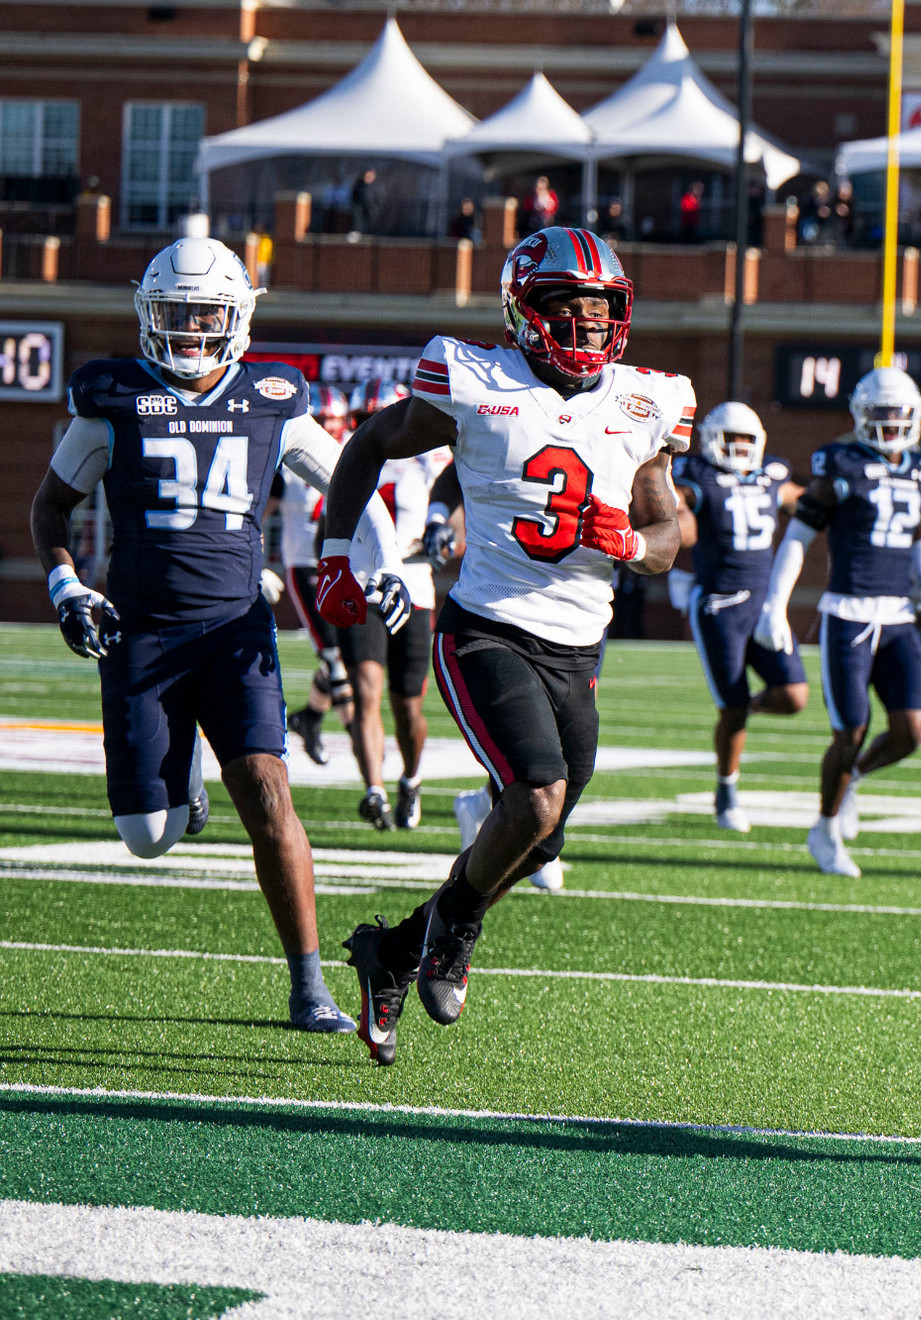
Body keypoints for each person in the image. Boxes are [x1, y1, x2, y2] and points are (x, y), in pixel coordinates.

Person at [326, 227, 694, 1066]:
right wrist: (338, 553)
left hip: (579, 648)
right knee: (534, 798)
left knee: (542, 838)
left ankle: (391, 951)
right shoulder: (476, 381)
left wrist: (635, 547)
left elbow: (668, 528)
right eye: (566, 308)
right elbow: (370, 443)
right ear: (525, 314)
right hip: (486, 628)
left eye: (600, 310)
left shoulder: (647, 400)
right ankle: (452, 932)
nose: (587, 326)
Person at [27, 236, 411, 1033]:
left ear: (237, 316)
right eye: (174, 314)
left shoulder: (273, 397)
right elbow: (50, 506)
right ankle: (183, 781)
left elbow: (350, 482)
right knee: (148, 837)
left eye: (205, 313)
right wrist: (68, 586)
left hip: (237, 629)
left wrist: (386, 565)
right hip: (140, 638)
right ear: (146, 314)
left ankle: (310, 988)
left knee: (270, 790)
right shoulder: (115, 395)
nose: (190, 330)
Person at [753, 366, 921, 879]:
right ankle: (825, 827)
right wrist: (776, 606)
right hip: (849, 616)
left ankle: (854, 779)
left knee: (913, 729)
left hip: (899, 616)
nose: (888, 425)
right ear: (860, 416)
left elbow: (919, 530)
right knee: (850, 731)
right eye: (878, 414)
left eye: (897, 415)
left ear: (915, 416)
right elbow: (798, 536)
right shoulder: (840, 466)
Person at [671, 401, 808, 833]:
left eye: (747, 439)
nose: (738, 446)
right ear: (713, 439)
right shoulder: (697, 477)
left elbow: (802, 501)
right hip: (720, 606)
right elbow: (677, 508)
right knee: (731, 710)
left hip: (766, 607)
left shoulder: (773, 475)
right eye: (730, 438)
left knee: (793, 697)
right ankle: (726, 792)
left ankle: (742, 712)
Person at [341, 379, 445, 831]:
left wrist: (443, 540)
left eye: (381, 416)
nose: (374, 427)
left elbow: (450, 512)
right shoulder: (343, 459)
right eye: (366, 418)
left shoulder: (427, 462)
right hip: (362, 587)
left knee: (408, 708)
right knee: (365, 690)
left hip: (413, 588)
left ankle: (410, 777)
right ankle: (374, 790)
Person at [280, 384, 357, 765]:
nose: (327, 424)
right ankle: (362, 751)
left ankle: (309, 717)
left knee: (344, 654)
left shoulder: (357, 451)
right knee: (335, 659)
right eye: (321, 417)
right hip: (305, 566)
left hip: (347, 565)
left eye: (333, 418)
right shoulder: (291, 451)